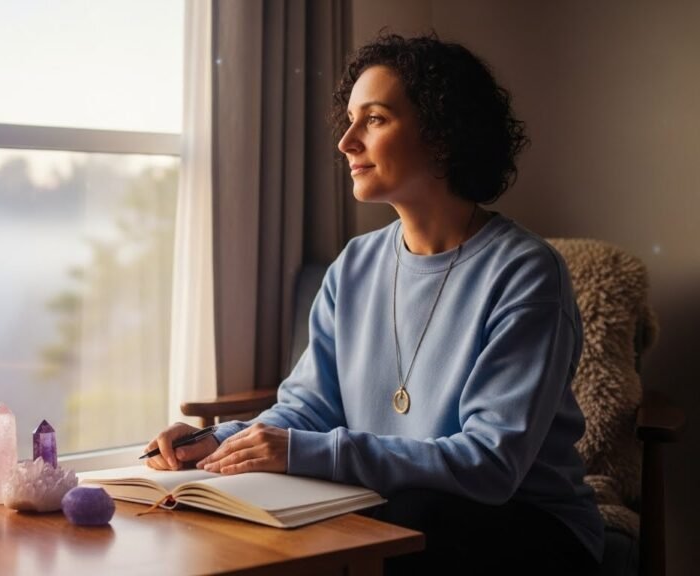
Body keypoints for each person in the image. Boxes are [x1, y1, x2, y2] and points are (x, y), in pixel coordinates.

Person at [144, 32, 604, 574]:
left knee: (409, 515)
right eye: (350, 119)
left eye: (375, 119)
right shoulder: (356, 265)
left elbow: (489, 465)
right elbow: (308, 409)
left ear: (441, 134)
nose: (346, 142)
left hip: (528, 524)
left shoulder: (525, 273)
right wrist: (216, 440)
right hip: (393, 503)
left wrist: (304, 451)